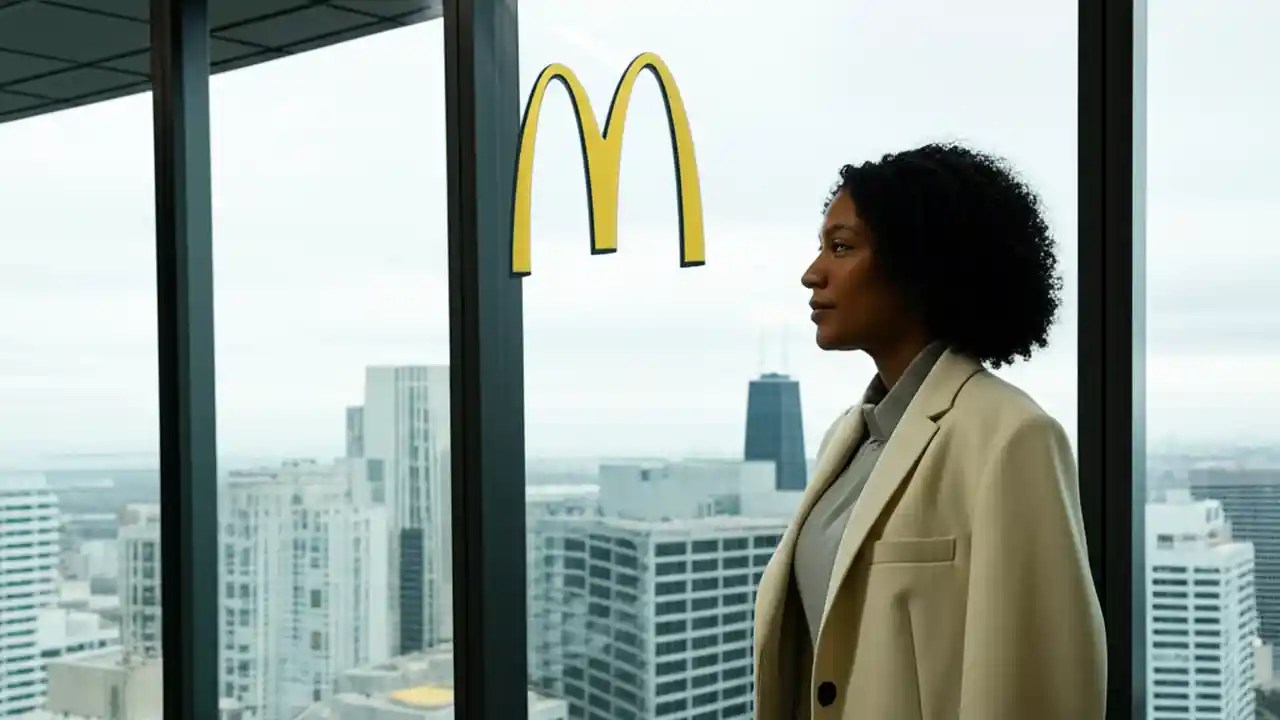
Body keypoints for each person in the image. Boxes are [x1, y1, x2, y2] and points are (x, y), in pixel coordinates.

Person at [752, 143, 1107, 719]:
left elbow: (1040, 686)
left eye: (840, 248)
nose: (811, 273)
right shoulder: (846, 440)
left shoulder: (1011, 437)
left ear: (919, 264)